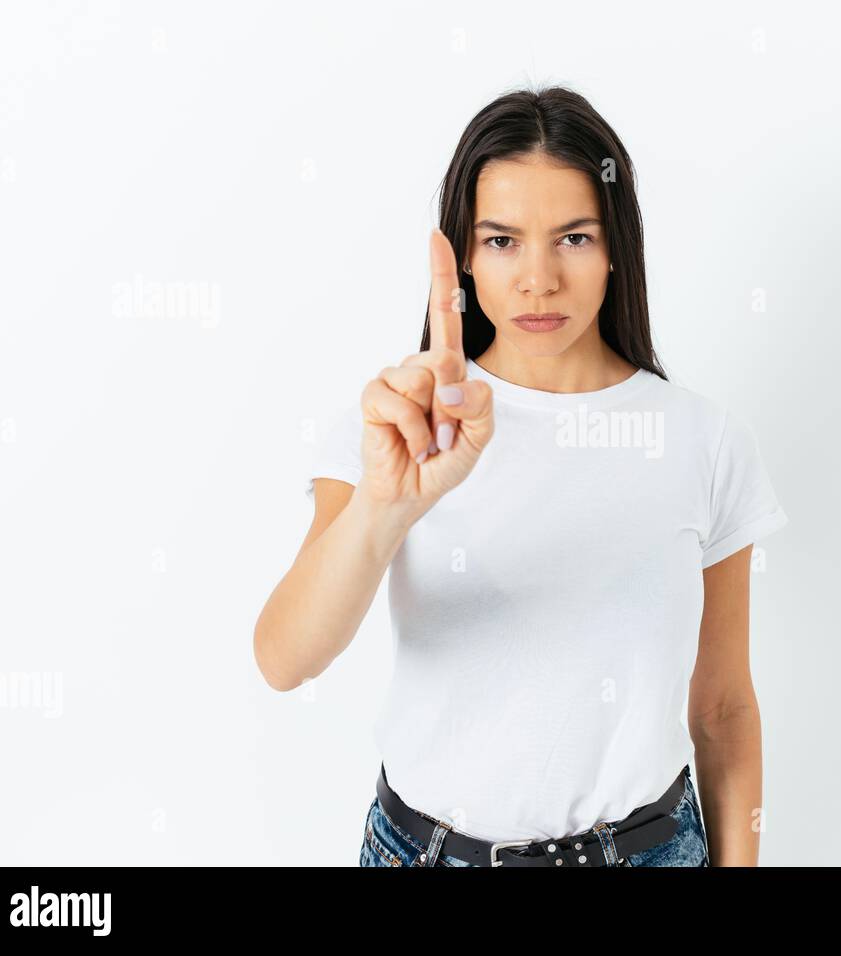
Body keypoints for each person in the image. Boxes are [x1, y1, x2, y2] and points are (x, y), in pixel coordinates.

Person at [254, 86, 788, 867]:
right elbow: (284, 660)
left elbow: (722, 710)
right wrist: (385, 507)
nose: (538, 279)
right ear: (465, 256)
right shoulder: (403, 424)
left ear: (615, 249)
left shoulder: (703, 440)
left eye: (572, 238)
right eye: (502, 242)